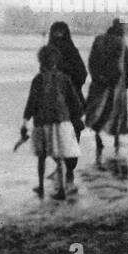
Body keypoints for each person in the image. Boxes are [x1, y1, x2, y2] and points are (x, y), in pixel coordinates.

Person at [23, 45, 83, 200]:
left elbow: (31, 103)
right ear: (56, 62)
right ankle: (62, 189)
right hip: (62, 121)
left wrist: (25, 121)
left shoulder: (38, 79)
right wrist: (75, 117)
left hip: (42, 122)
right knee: (60, 157)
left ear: (41, 61)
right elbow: (75, 102)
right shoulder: (64, 78)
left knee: (42, 156)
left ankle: (41, 187)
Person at [84, 18, 128, 164]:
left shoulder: (99, 39)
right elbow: (125, 64)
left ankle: (98, 138)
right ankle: (116, 141)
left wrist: (96, 76)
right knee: (115, 112)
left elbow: (91, 60)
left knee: (97, 111)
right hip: (116, 83)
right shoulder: (121, 42)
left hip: (99, 82)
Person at [48, 21, 87, 186]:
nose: (58, 36)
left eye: (61, 32)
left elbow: (82, 73)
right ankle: (61, 167)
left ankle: (68, 168)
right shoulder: (49, 53)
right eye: (56, 32)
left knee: (69, 132)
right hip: (56, 100)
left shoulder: (70, 51)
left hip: (68, 100)